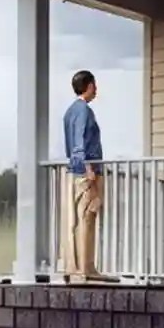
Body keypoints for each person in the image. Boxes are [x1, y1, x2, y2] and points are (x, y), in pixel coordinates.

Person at [62, 69, 104, 283]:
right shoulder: (83, 111)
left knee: (77, 220)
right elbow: (80, 143)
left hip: (74, 171)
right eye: (94, 85)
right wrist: (90, 170)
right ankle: (85, 268)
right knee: (88, 217)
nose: (96, 90)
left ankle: (76, 267)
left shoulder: (70, 111)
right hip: (85, 170)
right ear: (88, 86)